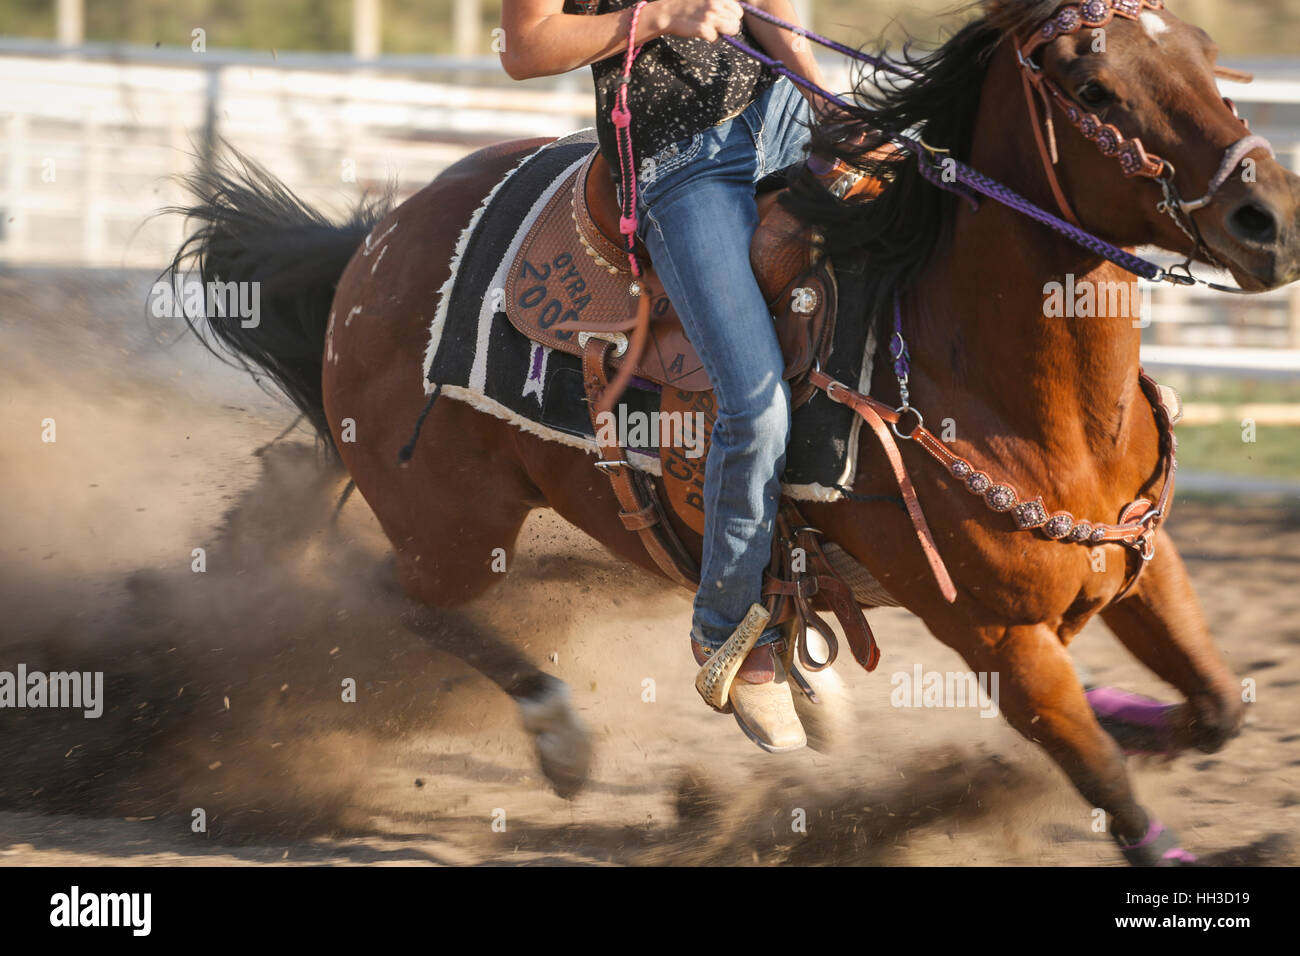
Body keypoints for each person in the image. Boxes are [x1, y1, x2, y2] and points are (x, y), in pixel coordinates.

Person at [501, 0, 836, 752]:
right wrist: (651, 20)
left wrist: (817, 84)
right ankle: (728, 633)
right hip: (682, 160)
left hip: (778, 111)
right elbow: (525, 48)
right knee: (756, 406)